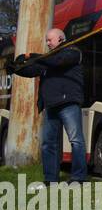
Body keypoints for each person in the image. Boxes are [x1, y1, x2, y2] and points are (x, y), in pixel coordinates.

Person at [7, 28, 87, 184]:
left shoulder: (73, 51)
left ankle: (79, 178)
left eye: (50, 40)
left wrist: (35, 56)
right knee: (48, 144)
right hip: (50, 105)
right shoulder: (48, 58)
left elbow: (56, 61)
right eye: (47, 41)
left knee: (76, 141)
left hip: (68, 104)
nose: (48, 43)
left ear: (60, 39)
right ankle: (51, 179)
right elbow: (33, 70)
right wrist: (17, 68)